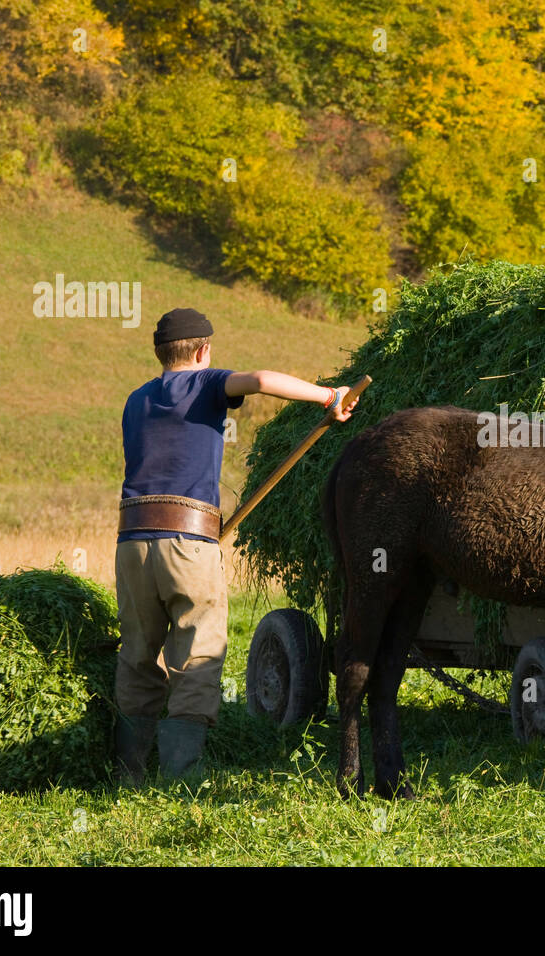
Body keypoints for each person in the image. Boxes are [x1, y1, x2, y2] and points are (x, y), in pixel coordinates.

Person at [113, 307, 357, 784]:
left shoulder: (135, 399)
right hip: (187, 544)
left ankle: (129, 773)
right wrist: (331, 395)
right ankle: (180, 779)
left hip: (133, 544)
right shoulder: (205, 384)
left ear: (160, 353)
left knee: (137, 654)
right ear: (203, 351)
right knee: (197, 653)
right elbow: (262, 379)